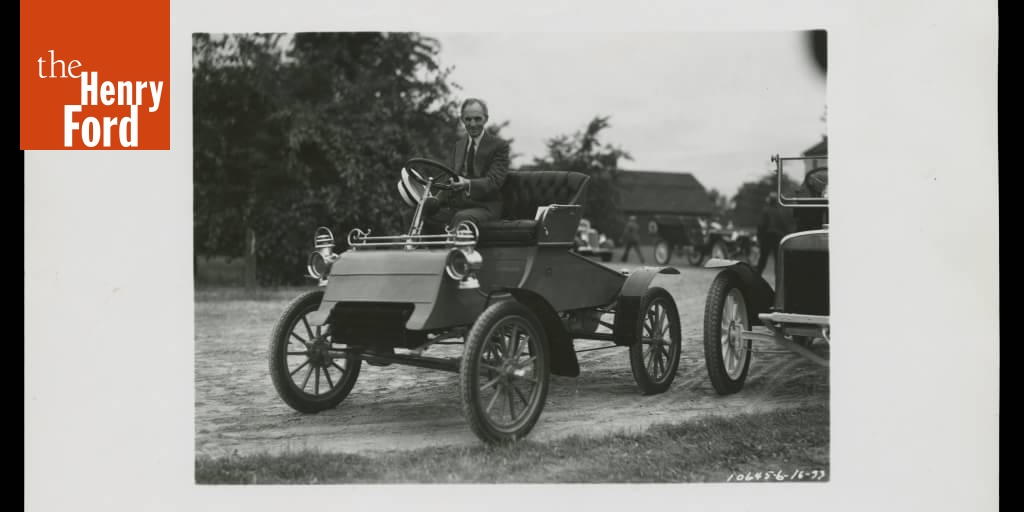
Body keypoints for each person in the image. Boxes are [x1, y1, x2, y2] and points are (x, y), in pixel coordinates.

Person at [408, 98, 511, 234]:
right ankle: (418, 252)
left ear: (486, 119)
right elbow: (449, 177)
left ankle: (452, 254)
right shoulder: (459, 146)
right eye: (468, 119)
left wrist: (466, 183)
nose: (472, 124)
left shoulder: (499, 146)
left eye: (477, 119)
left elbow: (493, 182)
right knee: (414, 213)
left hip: (485, 208)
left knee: (461, 217)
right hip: (458, 206)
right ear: (462, 120)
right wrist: (434, 201)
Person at [756, 192, 790, 275]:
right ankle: (779, 281)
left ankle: (757, 277)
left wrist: (759, 237)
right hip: (778, 237)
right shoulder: (780, 211)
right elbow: (785, 226)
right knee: (778, 261)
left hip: (767, 236)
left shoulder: (765, 210)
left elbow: (761, 225)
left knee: (762, 259)